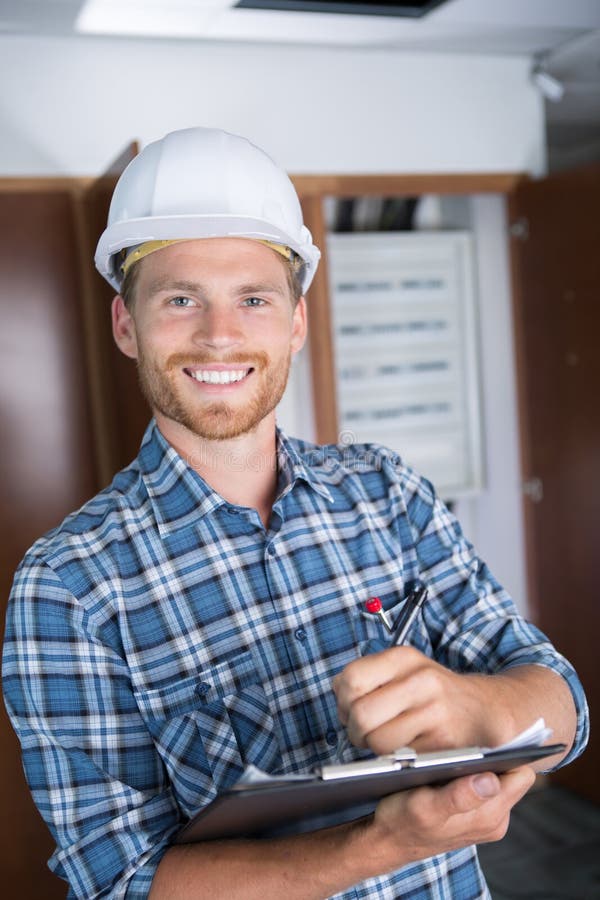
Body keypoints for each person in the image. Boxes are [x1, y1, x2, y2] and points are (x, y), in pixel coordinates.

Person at [2, 126, 588, 900]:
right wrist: (381, 845)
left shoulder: (386, 491)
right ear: (125, 325)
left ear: (296, 323)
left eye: (253, 298)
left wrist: (473, 705)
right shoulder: (67, 587)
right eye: (181, 299)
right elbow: (121, 882)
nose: (220, 334)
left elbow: (563, 706)